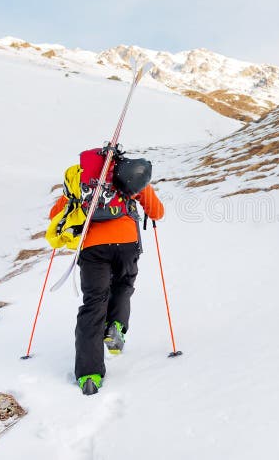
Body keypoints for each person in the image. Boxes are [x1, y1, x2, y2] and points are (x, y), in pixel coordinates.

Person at [49, 169, 164, 395]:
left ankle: (88, 375)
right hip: (127, 242)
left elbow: (55, 213)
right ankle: (116, 327)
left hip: (91, 247)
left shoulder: (81, 178)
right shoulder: (129, 173)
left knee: (94, 303)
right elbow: (157, 212)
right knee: (123, 286)